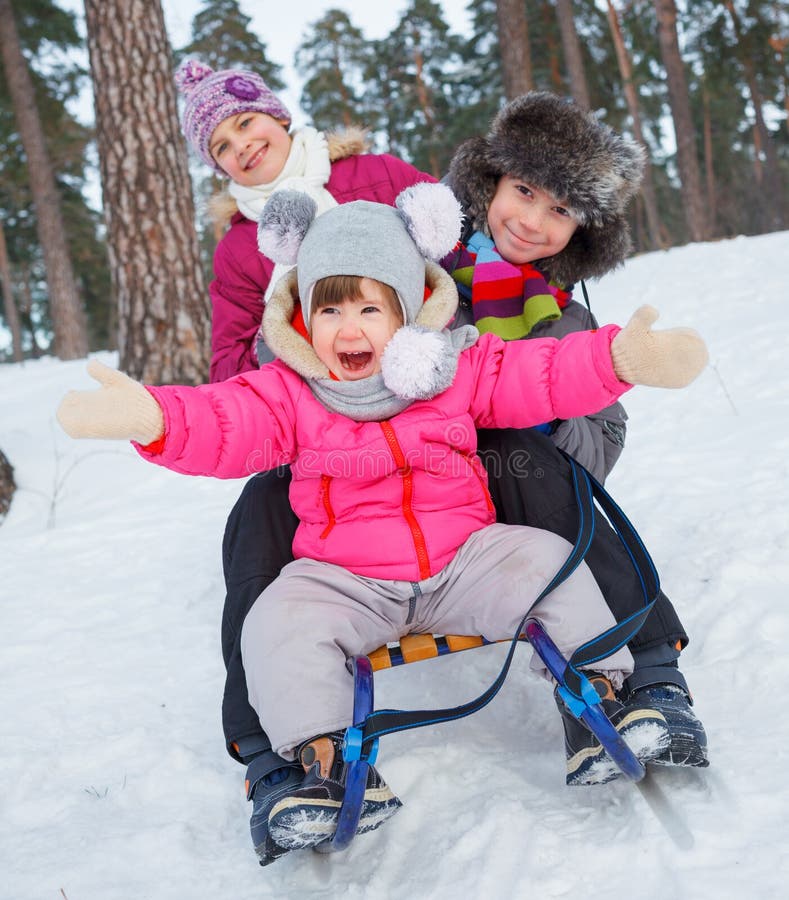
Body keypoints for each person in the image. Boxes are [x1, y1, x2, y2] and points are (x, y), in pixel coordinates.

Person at [56, 184, 709, 863]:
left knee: (547, 561)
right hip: (347, 577)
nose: (349, 327)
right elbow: (222, 422)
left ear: (406, 311)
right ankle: (326, 763)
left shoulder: (452, 366)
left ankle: (598, 697)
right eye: (329, 307)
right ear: (304, 317)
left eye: (370, 307)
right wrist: (151, 419)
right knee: (278, 622)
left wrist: (615, 361)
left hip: (465, 559)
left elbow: (537, 373)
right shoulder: (286, 392)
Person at [215, 90, 710, 860]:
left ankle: (637, 674)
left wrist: (527, 402)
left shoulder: (562, 315)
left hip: (478, 487)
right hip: (354, 466)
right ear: (487, 185)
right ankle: (275, 755)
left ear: (581, 233)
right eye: (522, 192)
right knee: (260, 502)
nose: (531, 221)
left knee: (528, 456)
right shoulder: (415, 263)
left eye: (559, 210)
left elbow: (598, 447)